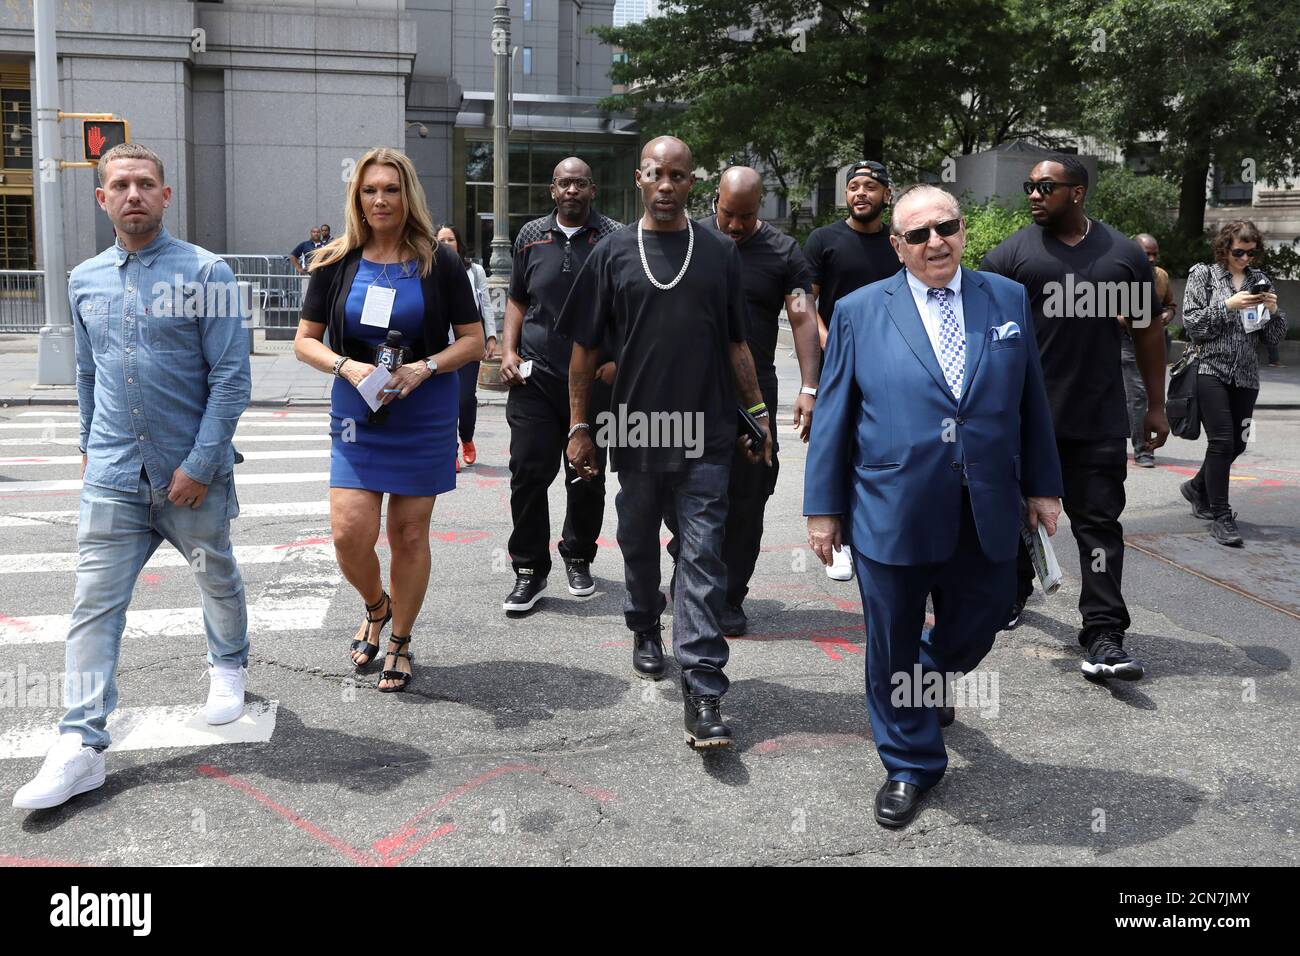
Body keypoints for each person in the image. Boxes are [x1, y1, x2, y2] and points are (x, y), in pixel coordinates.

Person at [805, 185, 1062, 828]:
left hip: (988, 502)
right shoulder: (862, 310)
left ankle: (921, 678)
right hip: (890, 506)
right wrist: (822, 509)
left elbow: (1031, 399)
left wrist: (1043, 484)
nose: (934, 242)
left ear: (962, 230)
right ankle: (911, 763)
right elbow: (833, 415)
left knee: (986, 615)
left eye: (944, 227)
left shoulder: (1004, 299)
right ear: (898, 246)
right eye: (917, 235)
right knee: (890, 638)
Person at [13, 142, 252, 810]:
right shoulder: (84, 278)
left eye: (146, 184)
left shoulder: (207, 273)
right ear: (102, 199)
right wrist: (91, 444)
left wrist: (201, 465)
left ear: (165, 196)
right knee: (93, 605)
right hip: (114, 475)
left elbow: (232, 377)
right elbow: (88, 372)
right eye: (120, 185)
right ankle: (80, 745)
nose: (134, 194)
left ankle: (228, 664)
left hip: (190, 475)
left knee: (216, 573)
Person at [563, 136, 771, 749]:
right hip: (633, 428)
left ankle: (703, 686)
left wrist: (756, 413)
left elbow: (738, 344)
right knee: (636, 543)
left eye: (678, 176)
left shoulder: (718, 253)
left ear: (691, 183)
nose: (666, 185)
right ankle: (644, 623)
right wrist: (580, 427)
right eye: (656, 174)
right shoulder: (611, 252)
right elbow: (583, 352)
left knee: (704, 555)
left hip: (705, 431)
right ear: (639, 178)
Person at [294, 148, 483, 691]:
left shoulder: (437, 261)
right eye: (370, 190)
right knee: (349, 532)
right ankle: (376, 605)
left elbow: (473, 342)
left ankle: (400, 636)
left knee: (408, 533)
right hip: (358, 406)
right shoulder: (334, 260)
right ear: (357, 198)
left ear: (408, 196)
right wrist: (347, 367)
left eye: (391, 190)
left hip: (422, 407)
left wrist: (425, 368)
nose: (381, 199)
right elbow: (305, 343)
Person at [981, 155, 1167, 682]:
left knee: (1099, 529)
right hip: (1022, 421)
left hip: (1097, 418)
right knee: (1015, 519)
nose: (1034, 195)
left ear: (1078, 192)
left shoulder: (1122, 256)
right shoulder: (1013, 254)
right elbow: (979, 327)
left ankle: (1105, 634)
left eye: (1045, 187)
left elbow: (1147, 332)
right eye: (1029, 186)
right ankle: (1011, 595)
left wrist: (1154, 404)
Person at [664, 166, 821, 636]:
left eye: (747, 217)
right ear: (715, 199)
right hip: (687, 389)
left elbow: (802, 319)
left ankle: (729, 595)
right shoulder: (687, 240)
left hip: (753, 393)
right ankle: (687, 567)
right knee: (678, 488)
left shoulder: (783, 251)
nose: (735, 226)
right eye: (729, 214)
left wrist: (809, 386)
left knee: (747, 498)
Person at [498, 158, 621, 612]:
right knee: (528, 473)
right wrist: (509, 352)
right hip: (537, 378)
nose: (572, 190)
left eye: (581, 183)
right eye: (564, 183)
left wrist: (617, 361)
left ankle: (578, 556)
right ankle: (529, 570)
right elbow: (516, 300)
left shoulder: (614, 236)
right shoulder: (530, 236)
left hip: (595, 384)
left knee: (585, 476)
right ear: (553, 189)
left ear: (593, 189)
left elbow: (628, 307)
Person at [803, 160, 901, 581]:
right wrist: (834, 345)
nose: (861, 193)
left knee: (885, 448)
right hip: (838, 367)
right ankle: (836, 544)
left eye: (870, 187)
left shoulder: (899, 243)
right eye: (854, 186)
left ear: (887, 195)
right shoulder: (823, 239)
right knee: (835, 449)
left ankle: (885, 534)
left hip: (892, 365)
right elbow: (805, 302)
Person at [1180, 219, 1288, 546]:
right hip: (1211, 369)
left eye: (1251, 253)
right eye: (1239, 252)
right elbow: (1193, 324)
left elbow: (1272, 337)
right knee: (1222, 441)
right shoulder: (1205, 275)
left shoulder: (1260, 281)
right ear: (1225, 247)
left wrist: (1274, 311)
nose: (1245, 259)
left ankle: (1197, 486)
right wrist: (1229, 305)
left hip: (1246, 375)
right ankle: (1222, 516)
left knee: (1238, 444)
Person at [435, 224, 498, 468]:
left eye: (451, 239)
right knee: (445, 401)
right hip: (440, 345)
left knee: (465, 399)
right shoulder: (429, 268)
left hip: (468, 345)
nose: (447, 243)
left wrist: (490, 336)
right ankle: (451, 451)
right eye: (442, 239)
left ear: (459, 243)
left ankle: (467, 438)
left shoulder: (476, 271)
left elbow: (486, 306)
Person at [1122, 234, 1177, 466]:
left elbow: (1170, 305)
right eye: (1147, 255)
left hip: (1154, 342)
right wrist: (1140, 320)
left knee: (1146, 394)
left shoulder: (1161, 277)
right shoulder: (1119, 276)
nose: (1152, 259)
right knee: (1137, 396)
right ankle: (1143, 449)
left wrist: (1166, 315)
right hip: (1126, 342)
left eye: (1155, 254)